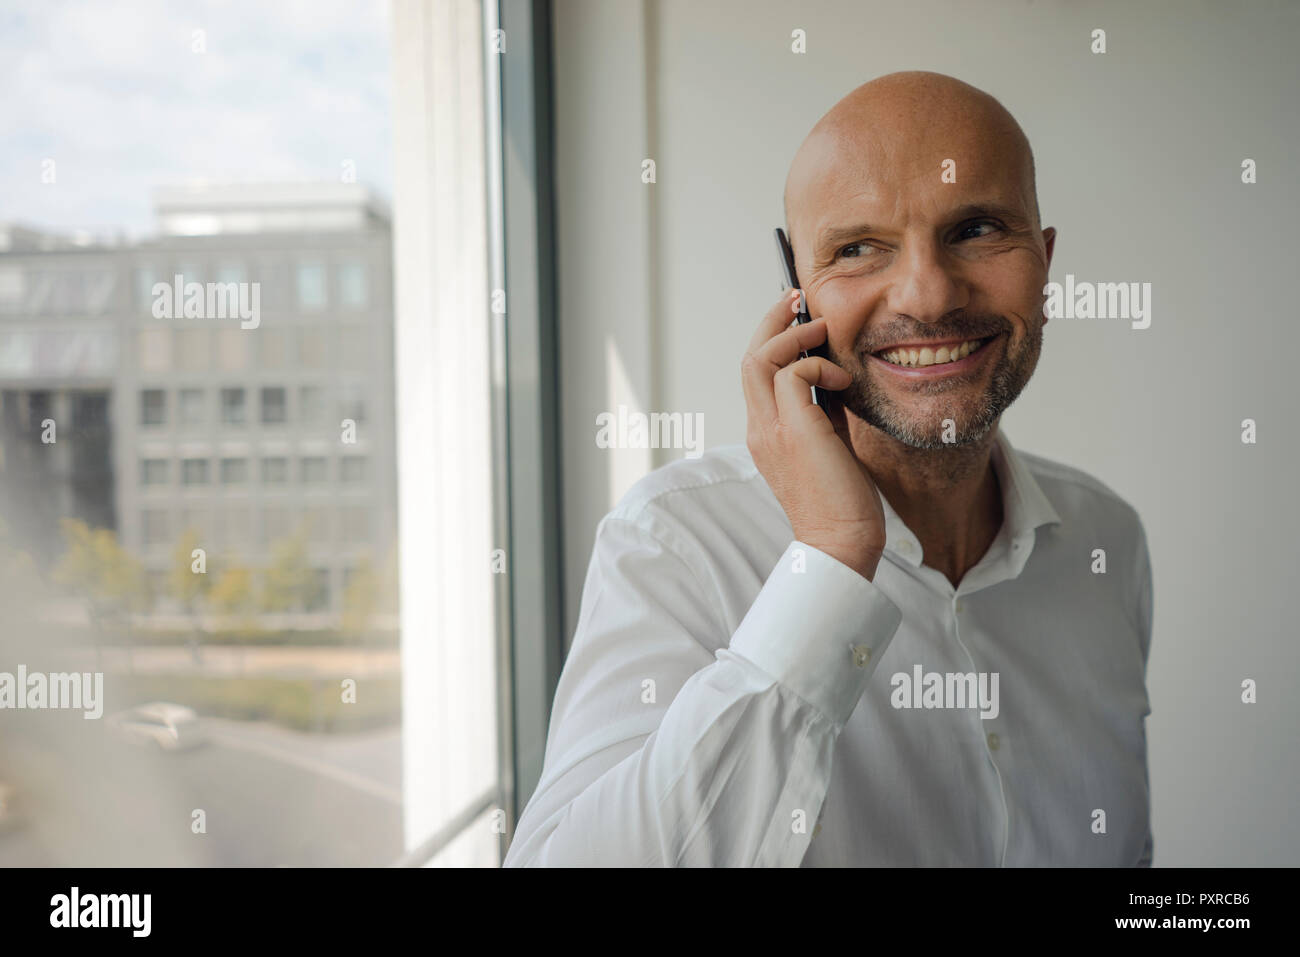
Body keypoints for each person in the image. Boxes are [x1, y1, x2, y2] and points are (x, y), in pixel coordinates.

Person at [503, 71, 1153, 867]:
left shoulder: (1107, 540)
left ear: (1044, 264)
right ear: (796, 298)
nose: (929, 294)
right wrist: (832, 555)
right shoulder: (672, 544)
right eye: (857, 248)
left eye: (977, 228)